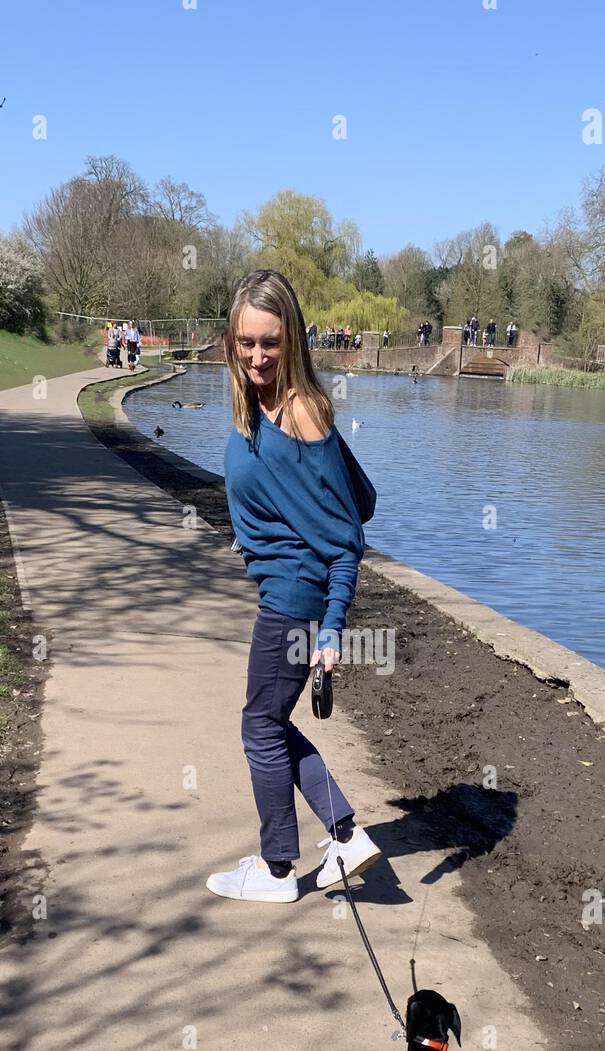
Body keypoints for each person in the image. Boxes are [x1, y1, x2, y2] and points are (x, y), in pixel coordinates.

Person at [208, 268, 382, 903]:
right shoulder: (259, 404)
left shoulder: (300, 411)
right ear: (231, 341)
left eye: (271, 343)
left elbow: (346, 537)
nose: (257, 356)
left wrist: (331, 627)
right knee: (270, 721)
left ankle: (279, 868)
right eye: (246, 342)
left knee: (260, 727)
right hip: (284, 591)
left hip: (296, 600)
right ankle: (343, 836)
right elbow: (354, 498)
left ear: (295, 341)